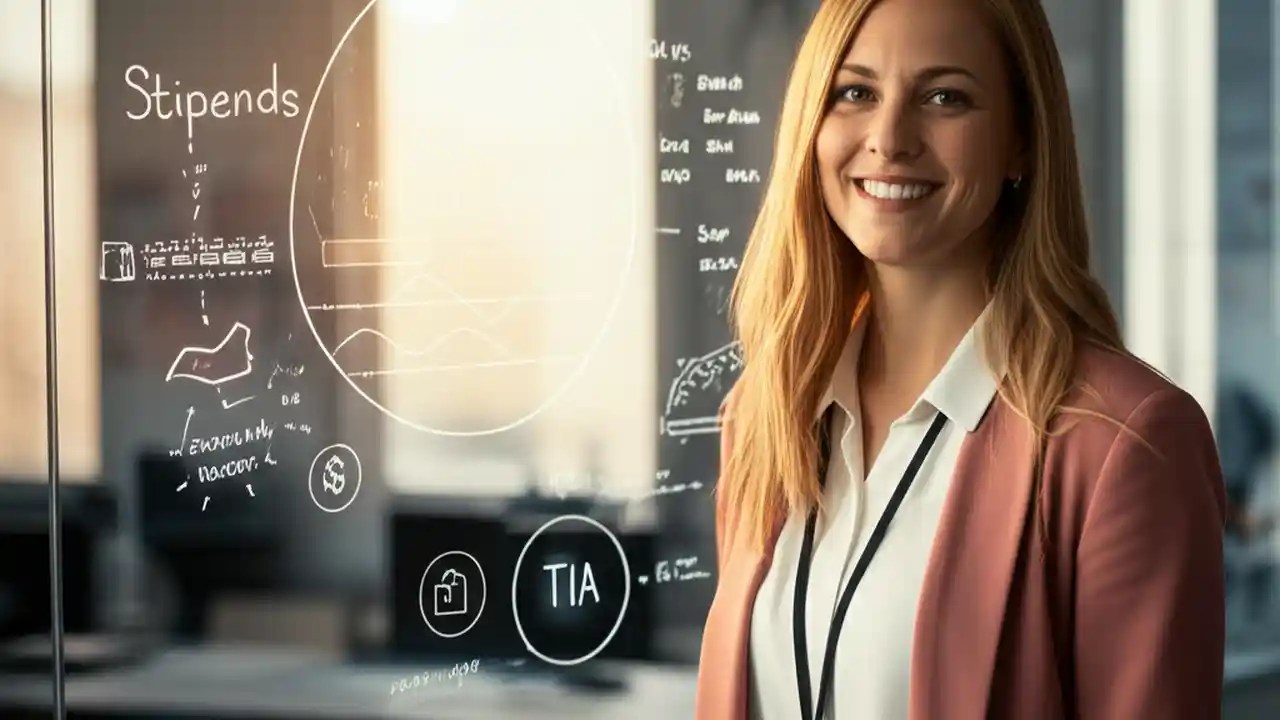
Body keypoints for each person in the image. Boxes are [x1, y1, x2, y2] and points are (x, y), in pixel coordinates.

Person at [695, 0, 1227, 719]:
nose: (888, 138)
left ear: (1021, 143)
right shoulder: (763, 412)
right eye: (855, 93)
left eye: (945, 97)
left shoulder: (1126, 446)